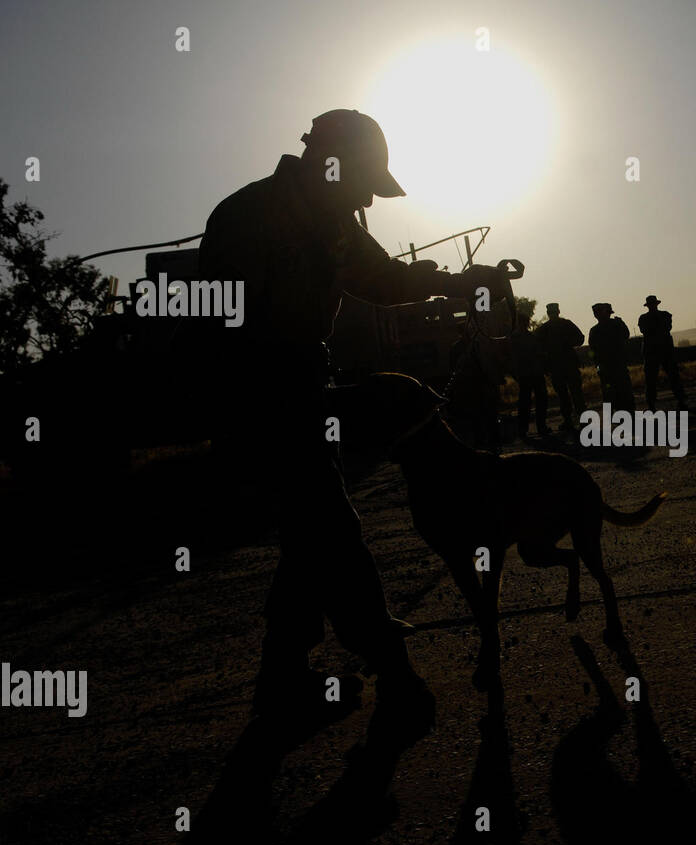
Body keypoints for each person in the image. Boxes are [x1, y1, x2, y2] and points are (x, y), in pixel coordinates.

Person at [198, 108, 510, 726]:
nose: (369, 198)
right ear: (329, 163)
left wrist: (457, 283)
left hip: (300, 385)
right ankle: (393, 671)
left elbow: (383, 278)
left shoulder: (333, 224)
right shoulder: (248, 216)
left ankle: (282, 683)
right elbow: (220, 325)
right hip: (258, 391)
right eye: (366, 183)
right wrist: (268, 395)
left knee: (308, 538)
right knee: (329, 527)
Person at [448, 320, 502, 451]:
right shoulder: (477, 346)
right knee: (487, 415)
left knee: (474, 417)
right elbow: (485, 365)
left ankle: (479, 443)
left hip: (467, 387)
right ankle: (491, 443)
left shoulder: (456, 347)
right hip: (479, 385)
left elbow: (453, 368)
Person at [533, 302, 586, 430]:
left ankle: (568, 421)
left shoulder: (544, 328)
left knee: (563, 395)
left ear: (548, 313)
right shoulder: (566, 324)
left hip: (556, 366)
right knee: (576, 393)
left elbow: (537, 348)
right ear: (558, 312)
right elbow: (580, 339)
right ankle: (582, 420)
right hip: (568, 364)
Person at [637, 294, 687, 411]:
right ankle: (679, 400)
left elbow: (647, 330)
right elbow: (665, 328)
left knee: (654, 379)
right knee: (666, 377)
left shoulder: (645, 318)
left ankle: (653, 404)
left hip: (655, 351)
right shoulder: (664, 316)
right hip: (661, 351)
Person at [587, 302, 635, 414]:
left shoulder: (594, 330)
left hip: (607, 367)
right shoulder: (616, 324)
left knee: (609, 391)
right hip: (617, 365)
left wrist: (597, 365)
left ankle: (613, 413)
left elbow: (592, 351)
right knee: (623, 389)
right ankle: (628, 412)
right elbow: (626, 335)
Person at [509, 324, 550, 437]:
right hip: (534, 373)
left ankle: (523, 429)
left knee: (525, 402)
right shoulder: (532, 337)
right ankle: (541, 427)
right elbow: (540, 354)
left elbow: (511, 358)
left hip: (525, 375)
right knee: (539, 400)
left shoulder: (514, 339)